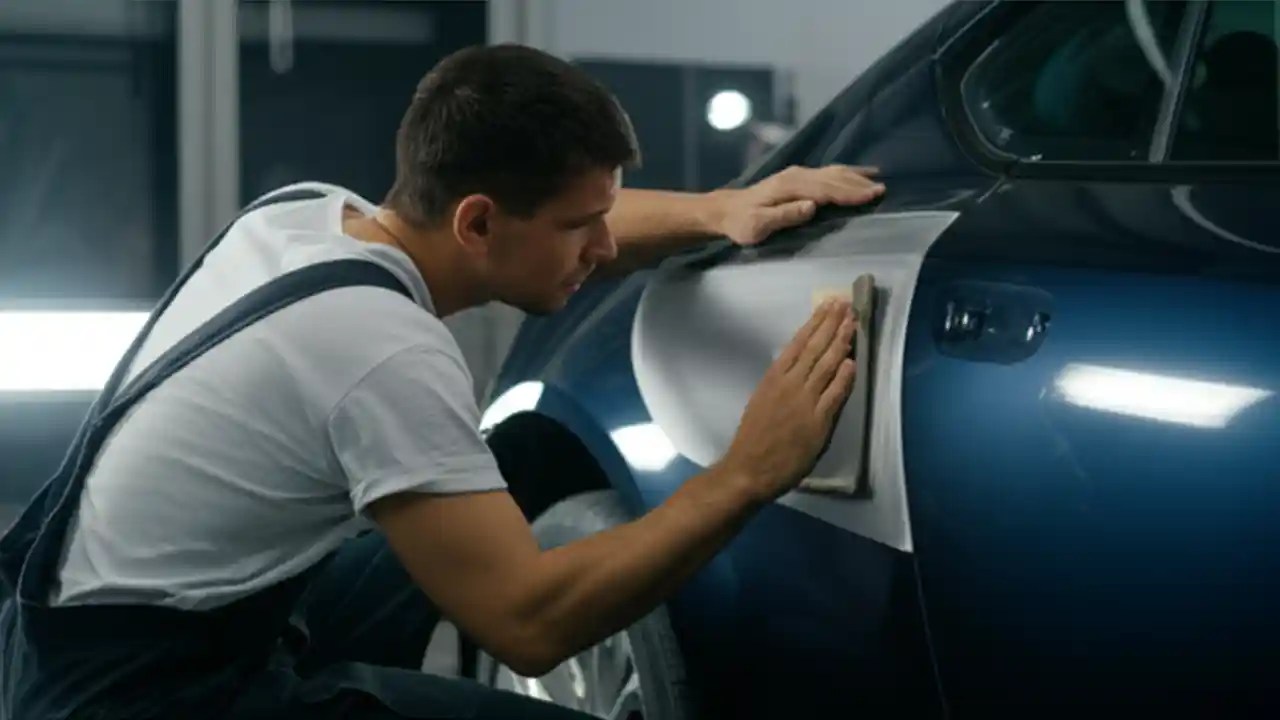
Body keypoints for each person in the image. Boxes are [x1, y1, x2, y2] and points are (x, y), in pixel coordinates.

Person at [0, 44, 883, 719]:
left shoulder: (307, 216)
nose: (606, 248)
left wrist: (720, 210)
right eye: (582, 226)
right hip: (143, 694)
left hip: (102, 623)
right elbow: (529, 627)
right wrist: (747, 472)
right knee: (515, 590)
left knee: (506, 481)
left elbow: (570, 228)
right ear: (478, 223)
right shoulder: (386, 352)